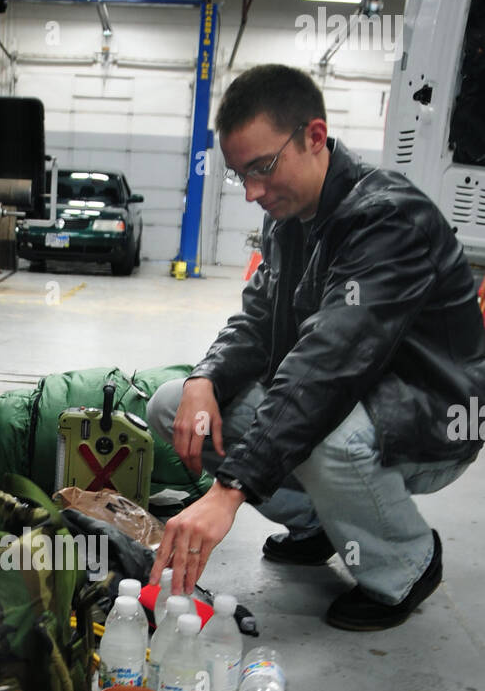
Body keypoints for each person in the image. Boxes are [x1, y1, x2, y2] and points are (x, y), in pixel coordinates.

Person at [147, 64, 485, 630]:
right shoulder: (290, 223)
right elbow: (256, 323)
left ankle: (405, 565)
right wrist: (203, 380)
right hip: (351, 404)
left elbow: (327, 366)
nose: (252, 192)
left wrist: (229, 492)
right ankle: (319, 523)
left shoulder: (387, 219)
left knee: (327, 432)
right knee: (172, 404)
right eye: (239, 176)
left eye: (262, 168)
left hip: (432, 421)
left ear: (314, 136)